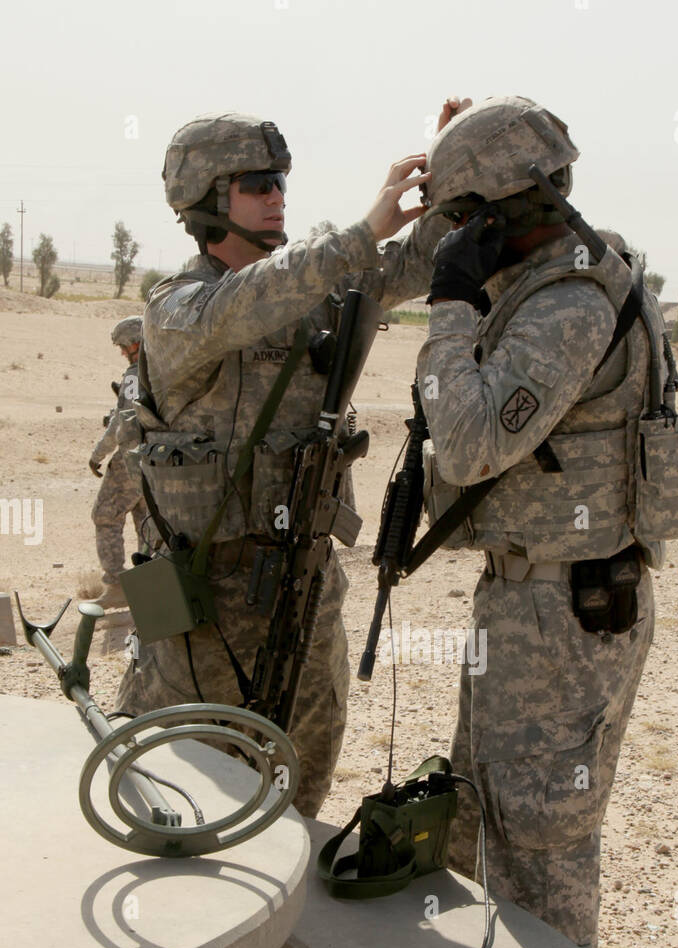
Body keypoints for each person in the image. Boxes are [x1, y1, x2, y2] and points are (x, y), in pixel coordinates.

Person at [116, 104, 465, 817]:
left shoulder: (322, 298)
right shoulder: (178, 310)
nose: (277, 194)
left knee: (297, 789)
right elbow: (251, 302)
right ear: (209, 200)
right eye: (256, 182)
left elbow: (413, 262)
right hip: (199, 615)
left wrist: (451, 167)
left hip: (302, 594)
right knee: (190, 795)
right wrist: (362, 232)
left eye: (280, 179)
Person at [416, 96, 678, 948]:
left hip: (560, 616)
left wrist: (451, 306)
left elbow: (464, 443)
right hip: (538, 602)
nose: (452, 238)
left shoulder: (568, 304)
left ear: (500, 217)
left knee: (538, 847)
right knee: (480, 811)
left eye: (461, 219)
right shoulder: (572, 269)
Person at [89, 316, 147, 608]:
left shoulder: (136, 375)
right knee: (146, 525)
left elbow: (120, 426)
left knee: (105, 515)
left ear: (136, 343)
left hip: (130, 460)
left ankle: (116, 586)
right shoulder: (165, 369)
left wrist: (97, 455)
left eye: (125, 347)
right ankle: (149, 591)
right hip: (155, 462)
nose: (123, 353)